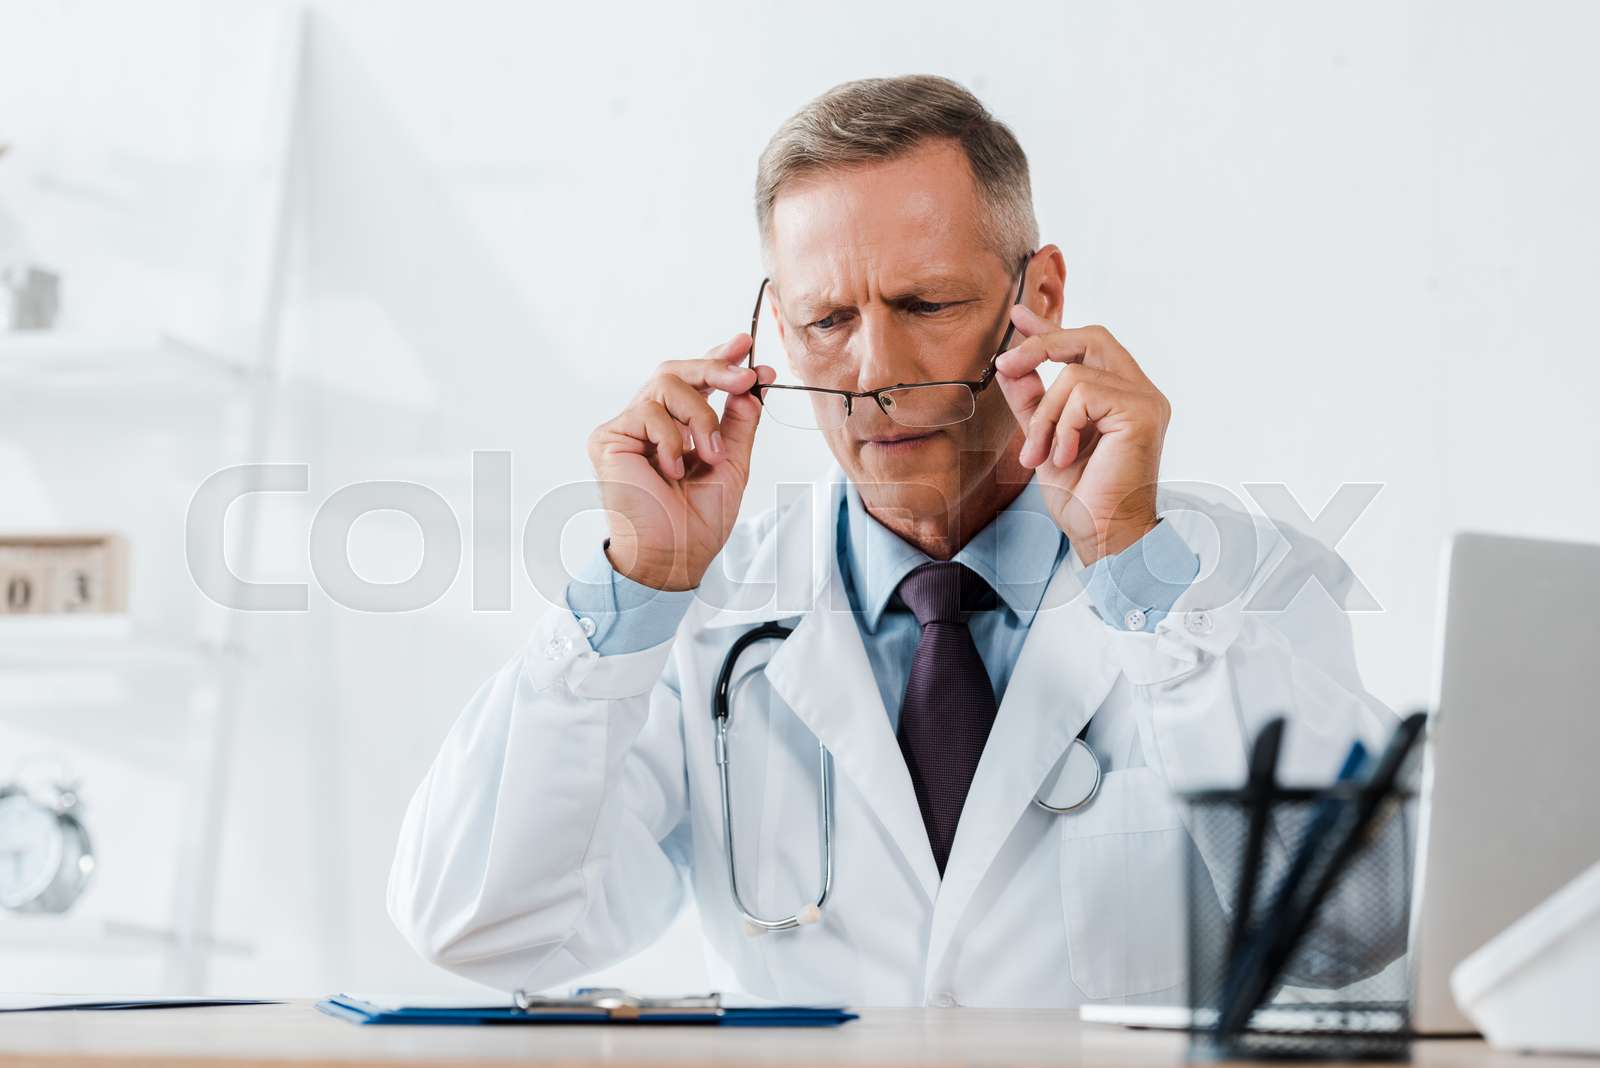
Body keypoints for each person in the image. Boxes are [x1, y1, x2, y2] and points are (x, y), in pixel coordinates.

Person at [388, 75, 1397, 1007]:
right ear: (775, 332)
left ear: (1036, 298)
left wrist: (1140, 573)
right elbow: (478, 928)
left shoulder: (1245, 587)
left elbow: (1355, 928)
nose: (874, 372)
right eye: (827, 318)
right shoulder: (698, 621)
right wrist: (637, 590)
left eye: (926, 305)